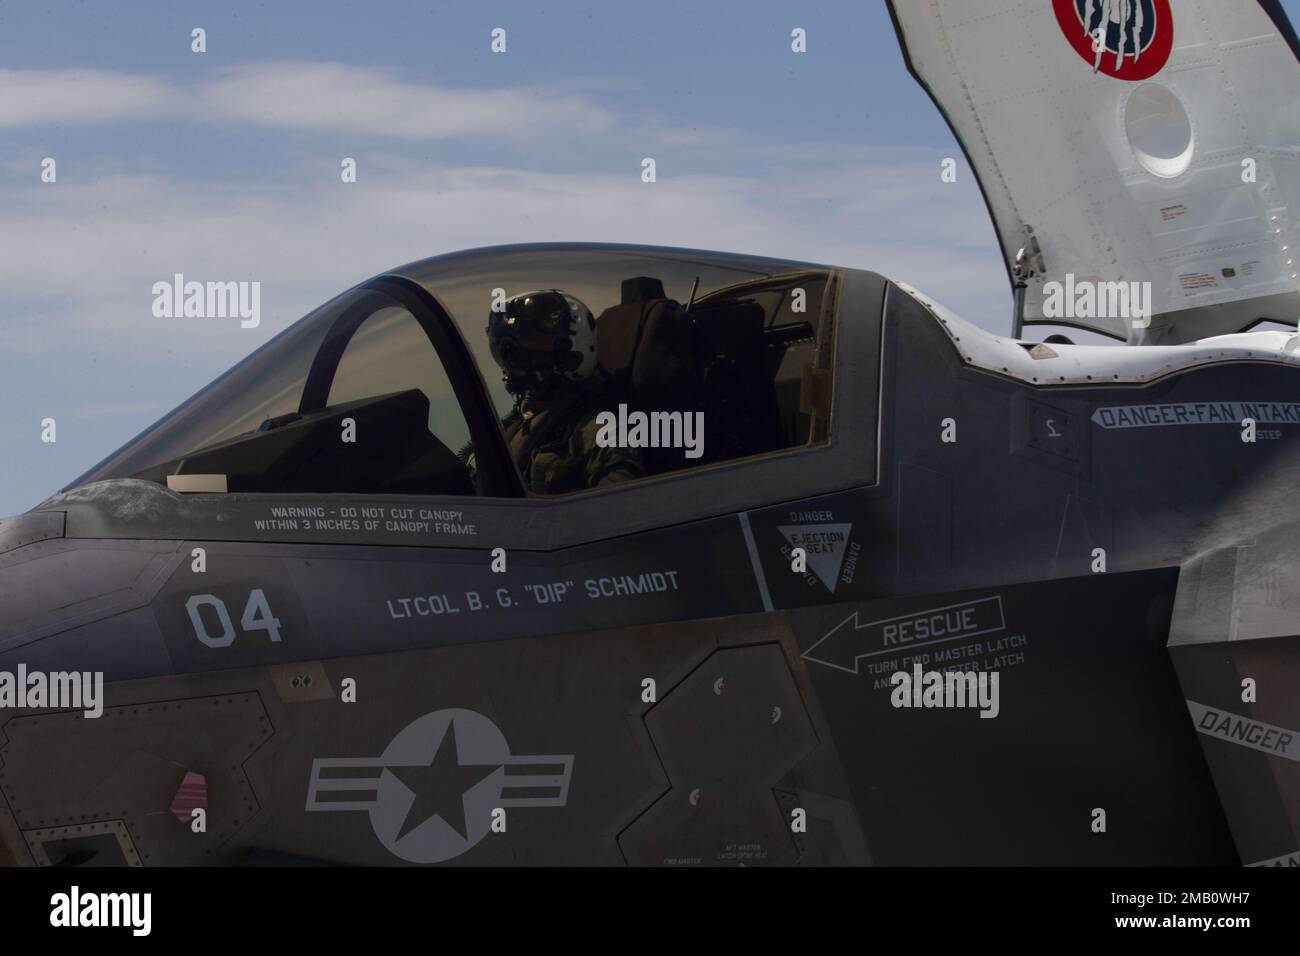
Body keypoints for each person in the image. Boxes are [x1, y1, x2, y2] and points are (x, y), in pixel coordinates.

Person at [486, 290, 643, 494]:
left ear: (573, 349)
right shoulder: (518, 425)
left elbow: (622, 504)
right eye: (511, 353)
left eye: (533, 348)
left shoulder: (600, 428)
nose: (521, 365)